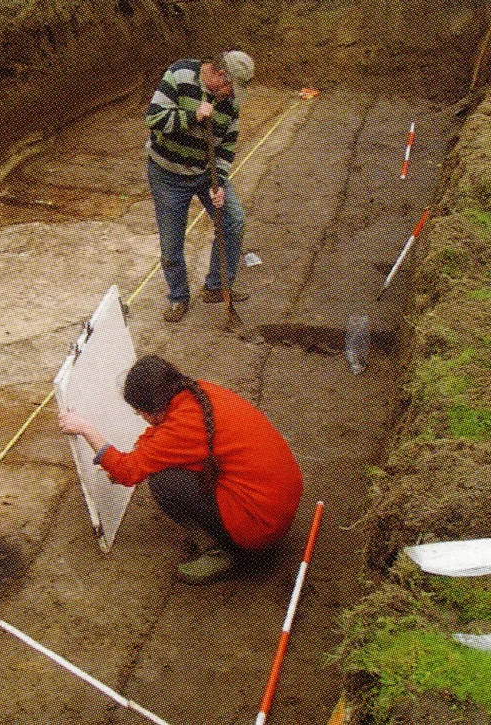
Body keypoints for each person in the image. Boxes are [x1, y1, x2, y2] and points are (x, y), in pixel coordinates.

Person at [58, 354, 302, 584]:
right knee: (175, 467)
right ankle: (234, 540)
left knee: (164, 482)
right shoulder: (197, 392)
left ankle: (230, 553)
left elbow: (126, 472)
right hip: (277, 501)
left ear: (152, 411)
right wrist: (140, 450)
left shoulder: (181, 429)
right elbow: (160, 436)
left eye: (138, 412)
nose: (139, 416)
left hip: (261, 525)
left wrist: (86, 430)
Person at [146, 50, 255, 323]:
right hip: (167, 174)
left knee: (234, 220)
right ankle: (178, 297)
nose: (231, 94)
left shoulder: (229, 104)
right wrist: (192, 115)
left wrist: (219, 182)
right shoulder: (180, 74)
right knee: (172, 241)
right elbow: (154, 118)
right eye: (230, 86)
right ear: (220, 73)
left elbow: (226, 147)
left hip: (205, 173)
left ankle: (217, 286)